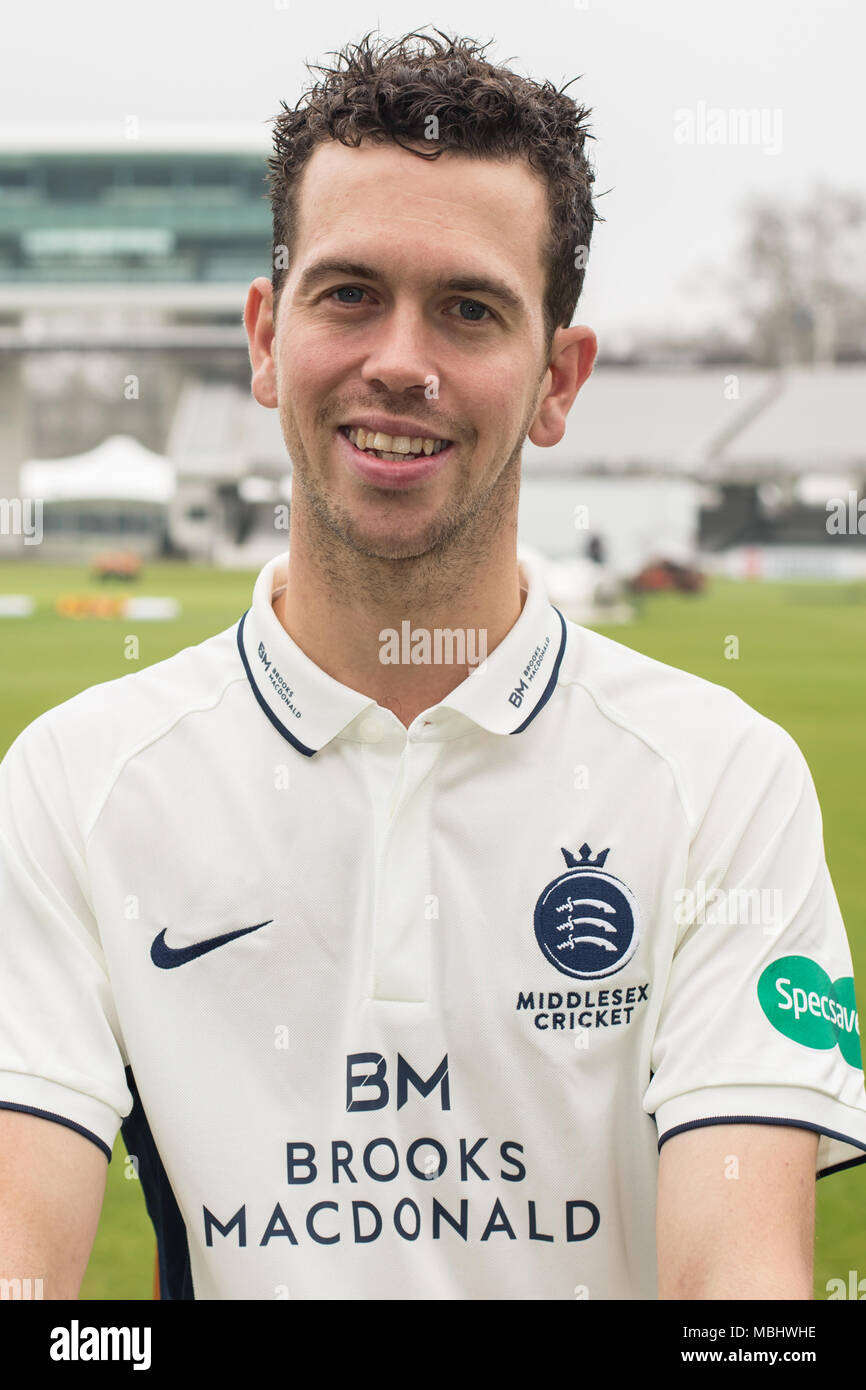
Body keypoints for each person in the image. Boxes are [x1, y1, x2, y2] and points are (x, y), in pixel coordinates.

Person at [1, 27, 863, 1302]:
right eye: (348, 293)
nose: (398, 361)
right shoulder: (76, 783)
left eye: (466, 308)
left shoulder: (722, 779)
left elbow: (740, 1302)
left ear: (558, 380)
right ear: (263, 338)